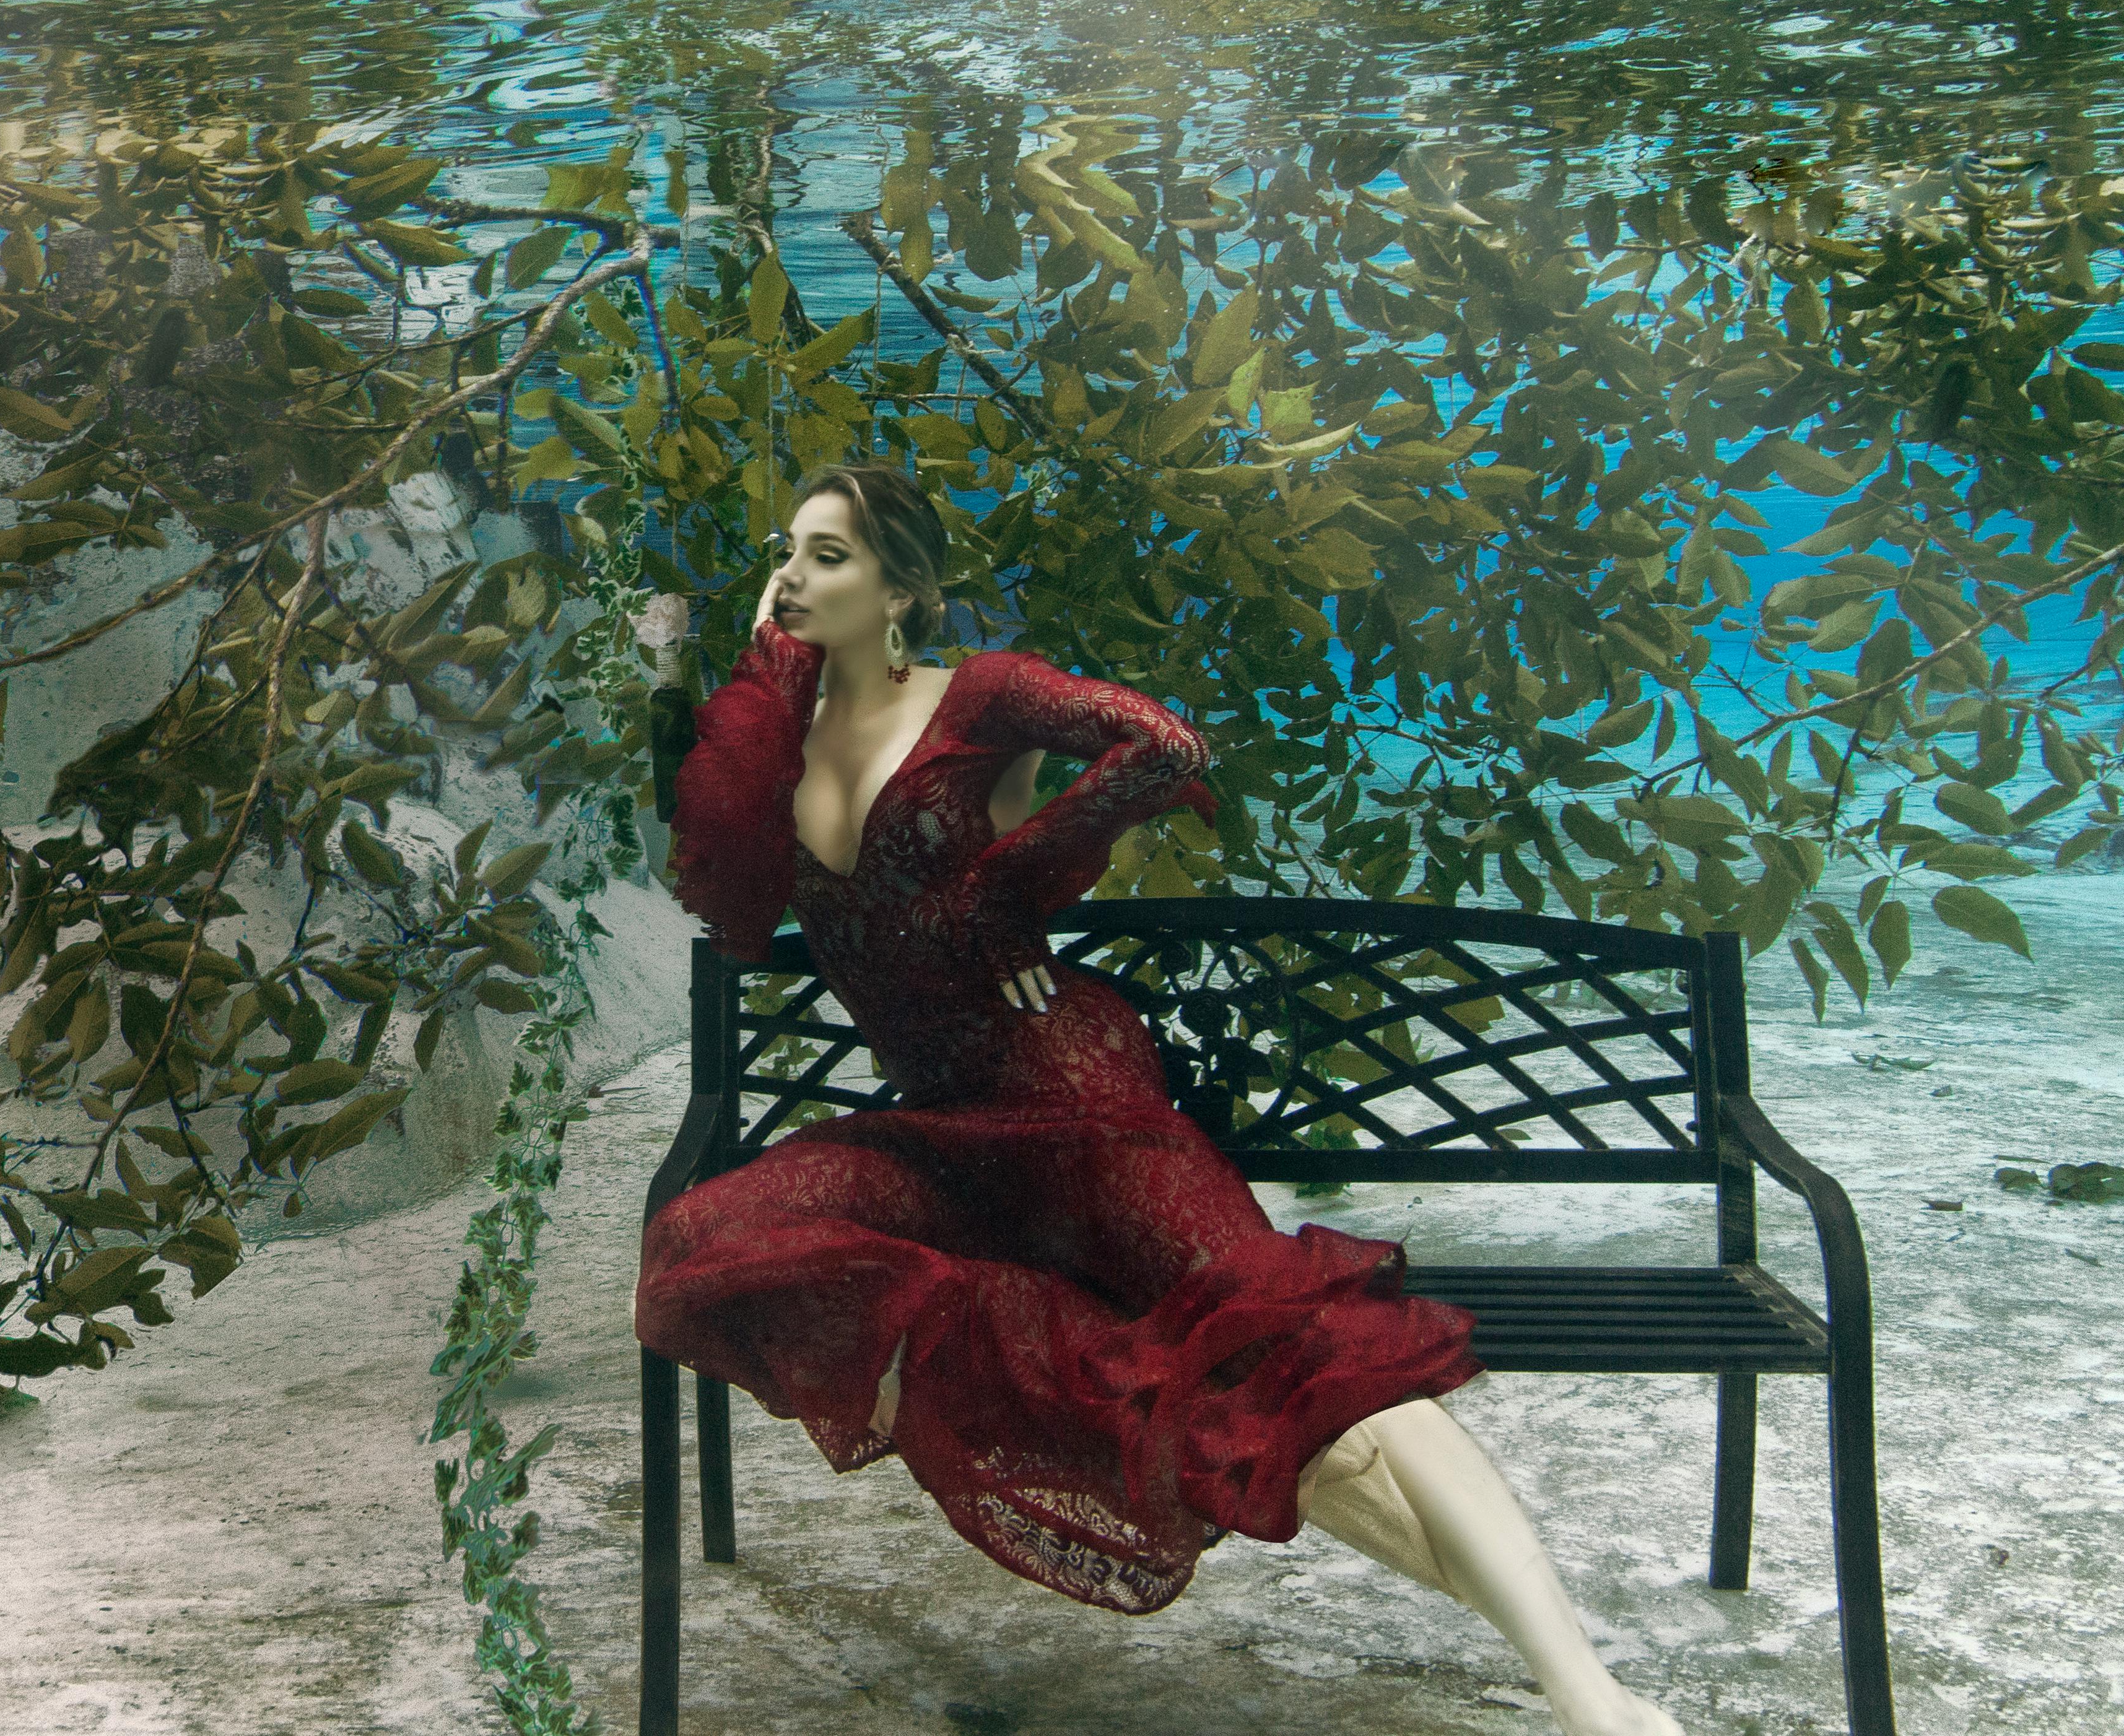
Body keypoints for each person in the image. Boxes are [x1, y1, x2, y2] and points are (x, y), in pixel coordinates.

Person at [632, 464, 1684, 1736]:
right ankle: (1150, 1424)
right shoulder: (781, 743)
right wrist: (741, 678)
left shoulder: (983, 695)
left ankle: (1590, 1694)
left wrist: (1008, 886)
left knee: (1304, 1356)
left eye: (829, 555)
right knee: (706, 1242)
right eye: (784, 552)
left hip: (1078, 1105)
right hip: (948, 1139)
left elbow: (1166, 746)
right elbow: (727, 893)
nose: (793, 578)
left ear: (903, 590)